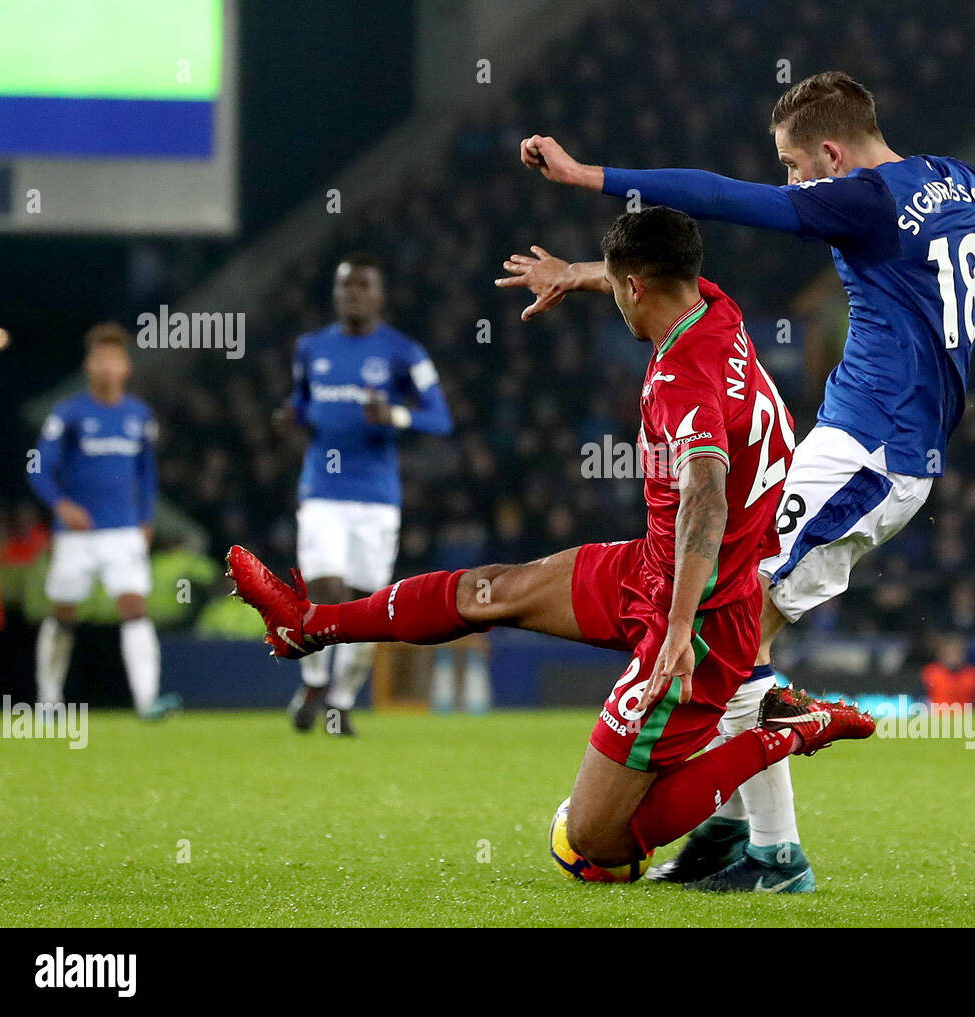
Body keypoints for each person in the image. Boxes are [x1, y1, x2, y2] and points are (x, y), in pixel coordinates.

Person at [513, 69, 975, 887]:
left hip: (875, 456)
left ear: (831, 151)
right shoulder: (959, 181)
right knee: (735, 624)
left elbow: (721, 195)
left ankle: (769, 853)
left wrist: (590, 175)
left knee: (733, 622)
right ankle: (733, 835)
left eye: (792, 163)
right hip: (852, 442)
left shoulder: (862, 198)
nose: (790, 181)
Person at [230, 208, 874, 880]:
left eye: (617, 284)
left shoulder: (686, 379)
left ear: (636, 290)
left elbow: (705, 497)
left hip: (701, 611)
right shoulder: (715, 307)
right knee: (493, 590)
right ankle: (309, 624)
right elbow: (638, 275)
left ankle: (789, 729)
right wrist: (574, 275)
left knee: (591, 845)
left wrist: (680, 626)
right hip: (650, 565)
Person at [273, 252, 453, 735]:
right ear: (335, 293)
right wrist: (290, 420)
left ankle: (340, 700)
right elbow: (302, 407)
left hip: (375, 499)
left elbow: (440, 418)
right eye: (345, 285)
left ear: (379, 294)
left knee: (367, 606)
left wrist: (394, 415)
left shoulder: (403, 352)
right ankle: (313, 679)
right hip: (321, 491)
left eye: (363, 286)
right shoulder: (311, 348)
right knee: (324, 588)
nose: (353, 293)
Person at [29, 322, 171, 719]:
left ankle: (148, 700)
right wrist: (59, 504)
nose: (108, 366)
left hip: (123, 530)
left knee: (134, 606)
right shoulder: (69, 413)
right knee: (64, 612)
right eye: (100, 358)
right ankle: (49, 699)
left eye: (115, 358)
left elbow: (146, 474)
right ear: (89, 365)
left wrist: (145, 518)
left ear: (126, 366)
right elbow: (39, 465)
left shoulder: (138, 415)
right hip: (77, 534)